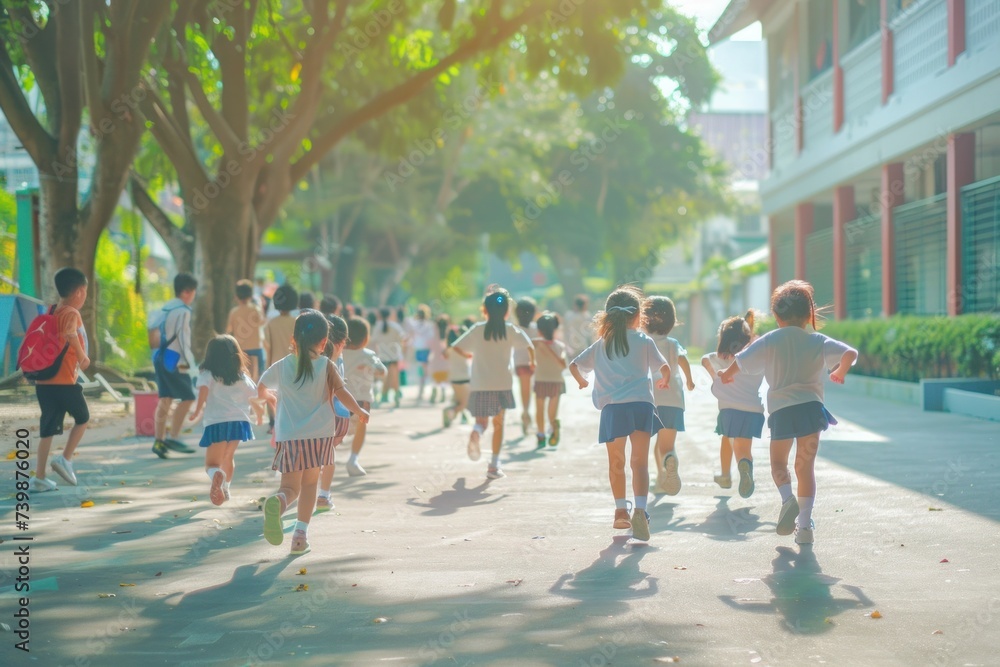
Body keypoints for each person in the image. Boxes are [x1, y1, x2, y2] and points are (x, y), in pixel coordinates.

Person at [719, 280, 858, 545]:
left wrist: (726, 374)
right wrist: (840, 370)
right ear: (809, 314)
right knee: (805, 468)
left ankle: (787, 499)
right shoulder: (818, 340)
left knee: (779, 464)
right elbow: (850, 353)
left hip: (782, 413)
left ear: (776, 315)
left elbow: (741, 360)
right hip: (812, 411)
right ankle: (804, 526)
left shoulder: (771, 339)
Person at [258, 310, 369, 555]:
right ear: (324, 342)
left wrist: (268, 397)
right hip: (318, 438)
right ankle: (299, 538)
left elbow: (261, 387)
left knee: (290, 488)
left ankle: (280, 501)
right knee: (309, 485)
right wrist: (359, 410)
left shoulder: (282, 366)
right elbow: (342, 393)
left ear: (293, 338)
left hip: (289, 438)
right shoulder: (326, 365)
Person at [569, 286, 670, 542]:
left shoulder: (601, 344)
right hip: (641, 407)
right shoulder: (644, 341)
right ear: (637, 316)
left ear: (608, 316)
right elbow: (664, 367)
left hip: (613, 410)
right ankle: (641, 510)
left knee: (617, 463)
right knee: (639, 463)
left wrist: (582, 381)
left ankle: (620, 510)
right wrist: (664, 379)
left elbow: (574, 365)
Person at [452, 289, 534, 479]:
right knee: (498, 424)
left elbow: (456, 346)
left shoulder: (477, 329)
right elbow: (529, 345)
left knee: (482, 422)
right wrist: (533, 361)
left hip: (480, 384)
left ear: (485, 310)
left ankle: (476, 432)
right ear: (507, 311)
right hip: (502, 384)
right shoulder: (511, 329)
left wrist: (468, 355)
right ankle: (494, 465)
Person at [30, 268, 90, 491]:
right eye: (85, 292)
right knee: (83, 417)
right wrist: (82, 357)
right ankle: (65, 459)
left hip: (44, 382)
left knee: (47, 429)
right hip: (64, 381)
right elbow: (70, 333)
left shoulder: (52, 310)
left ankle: (39, 477)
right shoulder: (71, 312)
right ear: (80, 292)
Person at [187, 335, 259, 506]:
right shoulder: (241, 376)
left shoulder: (208, 374)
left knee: (211, 464)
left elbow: (203, 391)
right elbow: (254, 395)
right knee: (228, 456)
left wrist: (197, 411)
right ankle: (225, 488)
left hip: (216, 422)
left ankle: (216, 475)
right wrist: (259, 413)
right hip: (239, 422)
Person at [702, 311, 765, 498]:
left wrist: (715, 377)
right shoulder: (754, 358)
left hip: (729, 411)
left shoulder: (720, 357)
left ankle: (725, 475)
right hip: (753, 410)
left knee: (728, 438)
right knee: (743, 447)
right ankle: (744, 465)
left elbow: (705, 359)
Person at [642, 296, 695, 496]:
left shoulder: (643, 342)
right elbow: (683, 360)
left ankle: (661, 478)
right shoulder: (673, 343)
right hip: (672, 399)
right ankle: (668, 461)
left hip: (650, 398)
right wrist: (689, 380)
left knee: (654, 442)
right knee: (666, 445)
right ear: (672, 322)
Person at [150, 273, 199, 459]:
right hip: (174, 359)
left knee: (166, 398)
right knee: (188, 397)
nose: (193, 295)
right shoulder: (183, 311)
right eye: (193, 292)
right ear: (187, 292)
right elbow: (183, 340)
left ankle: (159, 441)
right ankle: (174, 437)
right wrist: (189, 363)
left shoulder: (165, 308)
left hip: (159, 357)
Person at [340, 317, 387, 477]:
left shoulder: (338, 353)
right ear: (366, 338)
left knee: (334, 432)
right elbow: (382, 371)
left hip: (339, 399)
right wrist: (369, 368)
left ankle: (324, 460)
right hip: (361, 402)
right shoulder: (368, 354)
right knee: (360, 429)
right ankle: (353, 459)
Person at [316, 314, 353, 511]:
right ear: (343, 341)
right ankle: (323, 495)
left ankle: (309, 489)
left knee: (314, 456)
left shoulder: (317, 359)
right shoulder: (339, 359)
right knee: (329, 455)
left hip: (318, 415)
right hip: (339, 416)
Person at [263, 284, 298, 433]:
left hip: (275, 364)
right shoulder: (296, 322)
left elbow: (268, 347)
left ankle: (273, 423)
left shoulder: (271, 324)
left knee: (273, 395)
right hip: (294, 364)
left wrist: (268, 366)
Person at [532, 313, 568, 449]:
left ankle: (541, 435)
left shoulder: (535, 344)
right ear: (555, 329)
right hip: (556, 381)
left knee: (539, 410)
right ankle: (553, 428)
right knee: (552, 413)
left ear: (539, 330)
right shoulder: (559, 346)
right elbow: (564, 365)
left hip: (540, 380)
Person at [227, 279, 267, 382]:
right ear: (250, 295)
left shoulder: (234, 312)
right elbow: (262, 322)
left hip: (241, 350)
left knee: (243, 381)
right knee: (258, 381)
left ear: (236, 296)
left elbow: (229, 329)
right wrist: (261, 306)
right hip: (256, 348)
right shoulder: (256, 309)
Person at [371, 307, 406, 408]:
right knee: (395, 377)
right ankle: (396, 397)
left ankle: (383, 395)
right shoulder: (395, 326)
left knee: (384, 377)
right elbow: (403, 338)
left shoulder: (377, 327)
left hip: (382, 356)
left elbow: (373, 341)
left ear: (379, 315)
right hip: (394, 355)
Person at [513, 297, 538, 435]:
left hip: (520, 362)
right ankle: (530, 415)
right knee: (535, 390)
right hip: (535, 363)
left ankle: (526, 412)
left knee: (524, 389)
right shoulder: (536, 328)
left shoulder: (515, 329)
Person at [442, 320, 472, 428]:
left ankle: (452, 415)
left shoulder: (448, 350)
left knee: (459, 401)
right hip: (463, 377)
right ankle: (450, 412)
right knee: (465, 403)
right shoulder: (461, 349)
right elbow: (470, 356)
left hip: (453, 377)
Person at [408, 304, 437, 401]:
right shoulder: (430, 325)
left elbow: (411, 337)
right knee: (429, 371)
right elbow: (432, 337)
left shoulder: (414, 324)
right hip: (427, 350)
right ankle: (432, 388)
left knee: (421, 372)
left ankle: (421, 391)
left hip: (418, 350)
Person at [427, 316, 451, 404]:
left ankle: (434, 393)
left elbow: (430, 344)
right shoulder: (448, 333)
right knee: (444, 377)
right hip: (445, 360)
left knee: (435, 378)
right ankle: (443, 394)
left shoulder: (434, 333)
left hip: (435, 359)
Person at [564, 294, 594, 358]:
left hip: (572, 347)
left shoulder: (569, 316)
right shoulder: (587, 316)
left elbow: (565, 332)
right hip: (582, 347)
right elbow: (590, 334)